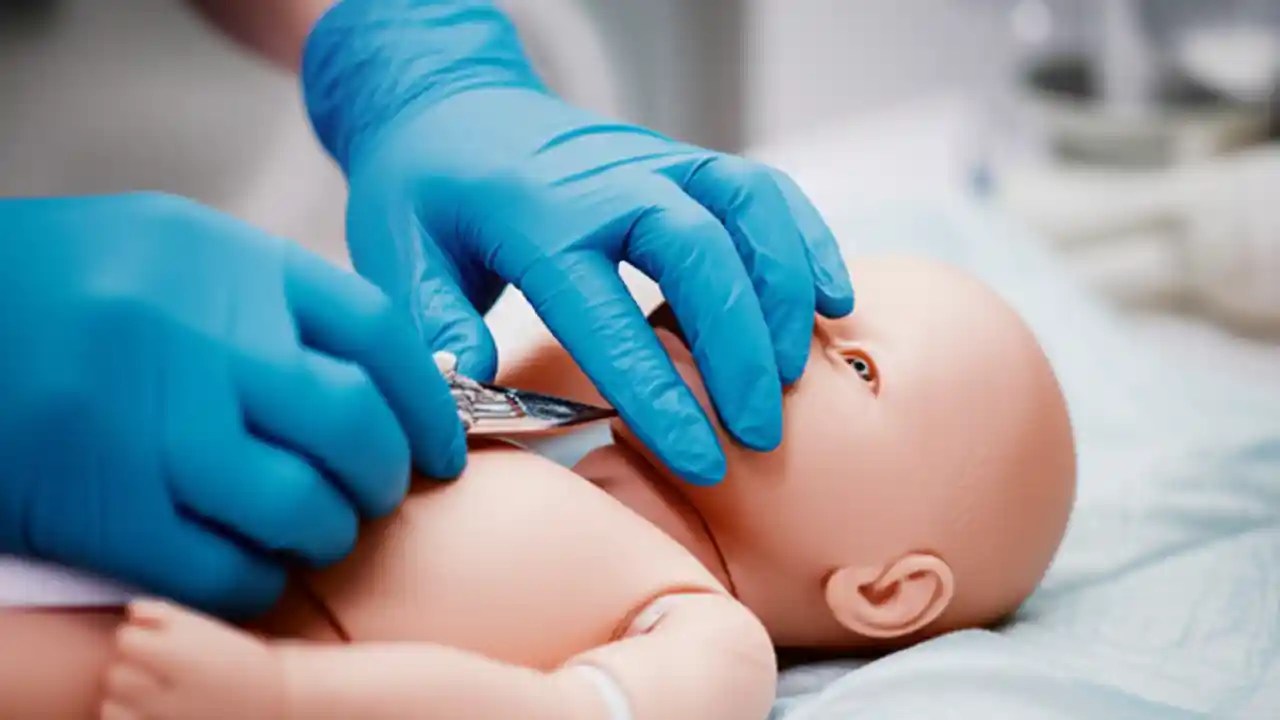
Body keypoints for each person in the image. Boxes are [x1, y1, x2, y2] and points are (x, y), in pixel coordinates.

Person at [0, 0, 854, 619]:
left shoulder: (688, 626)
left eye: (857, 364)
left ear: (888, 589)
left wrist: (417, 56)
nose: (705, 334)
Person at [0, 257, 1075, 719]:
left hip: (176, 657)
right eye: (799, 292)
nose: (776, 317)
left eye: (856, 364)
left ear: (884, 590)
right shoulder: (560, 378)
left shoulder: (709, 635)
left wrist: (286, 698)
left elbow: (548, 715)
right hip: (107, 468)